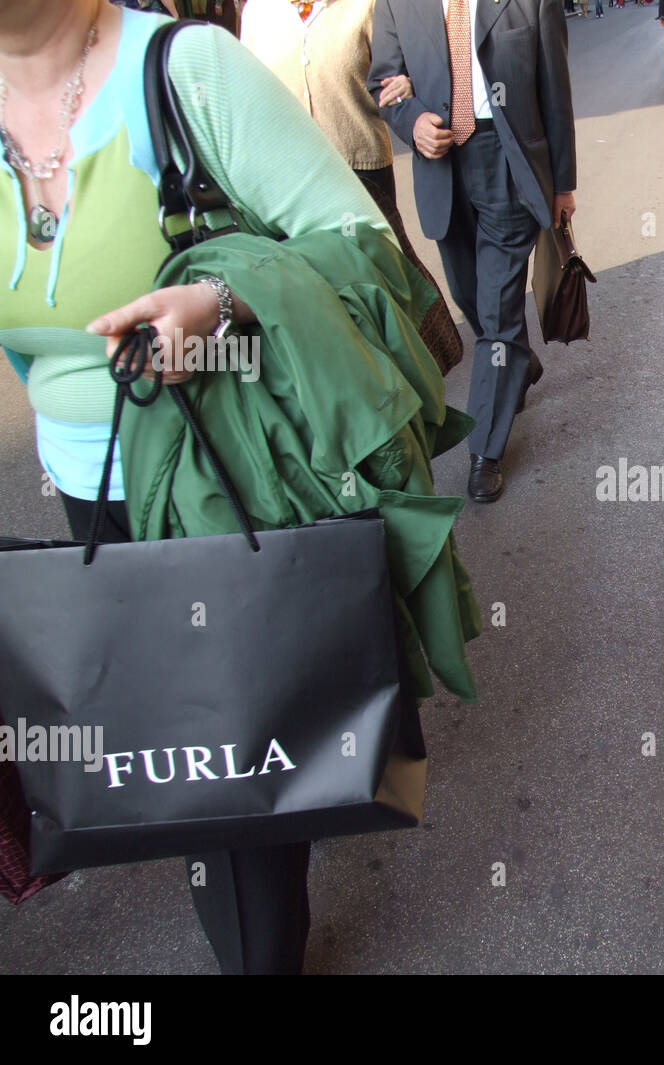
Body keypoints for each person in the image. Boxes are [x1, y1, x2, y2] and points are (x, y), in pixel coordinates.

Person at [0, 0, 477, 974]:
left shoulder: (186, 70)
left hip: (227, 481)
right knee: (157, 746)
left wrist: (222, 309)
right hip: (86, 497)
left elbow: (362, 252)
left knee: (230, 755)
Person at [370, 0, 577, 504]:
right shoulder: (397, 4)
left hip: (507, 162)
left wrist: (563, 184)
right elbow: (386, 82)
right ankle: (515, 364)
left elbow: (555, 88)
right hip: (441, 170)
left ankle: (485, 448)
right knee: (467, 293)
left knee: (498, 308)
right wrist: (413, 120)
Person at [240, 0, 462, 376]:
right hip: (286, 181)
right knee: (314, 290)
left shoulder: (363, 5)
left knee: (378, 283)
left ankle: (412, 373)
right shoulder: (259, 13)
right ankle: (358, 384)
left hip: (360, 167)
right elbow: (246, 94)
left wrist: (407, 84)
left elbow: (395, 70)